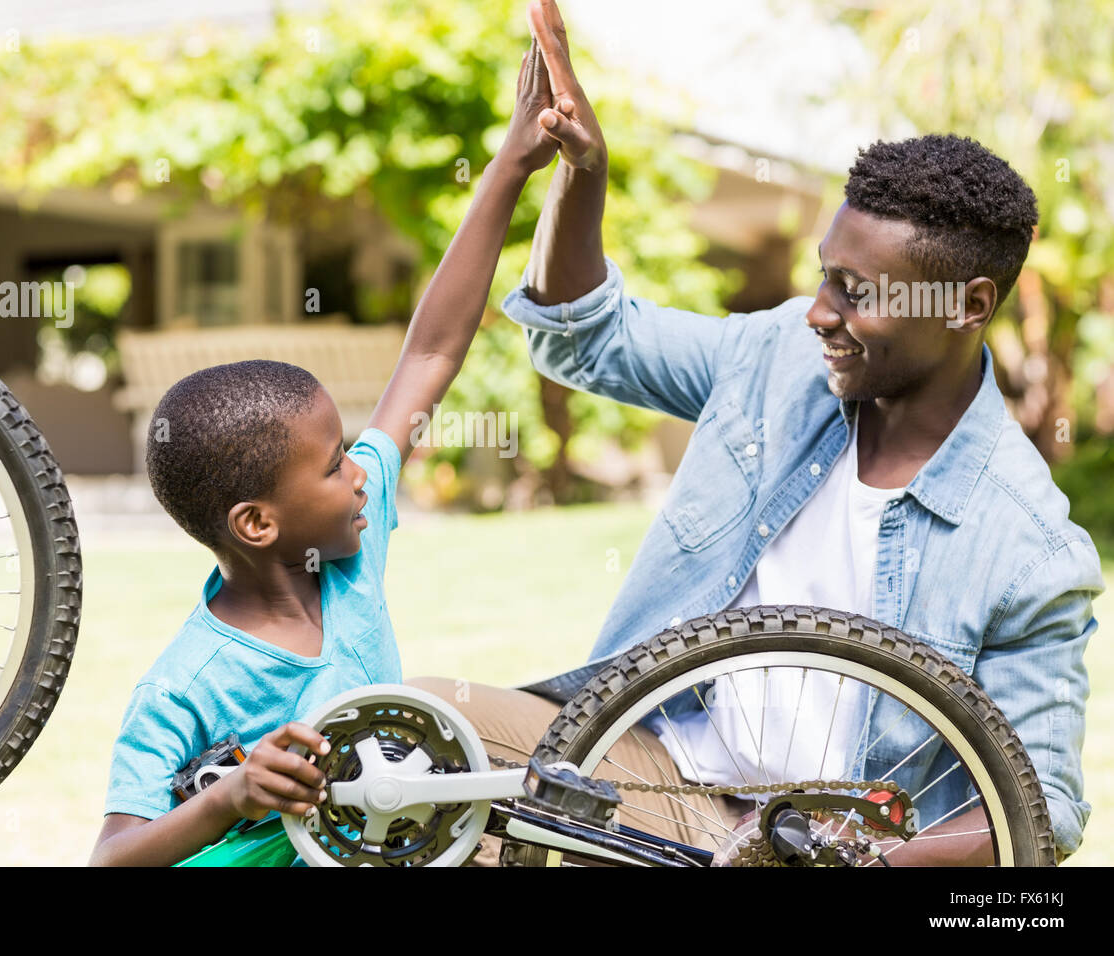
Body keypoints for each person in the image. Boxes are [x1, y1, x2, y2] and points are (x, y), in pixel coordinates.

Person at [415, 0, 1104, 866]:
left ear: (967, 306)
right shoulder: (778, 357)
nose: (819, 313)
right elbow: (586, 336)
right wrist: (583, 177)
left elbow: (1040, 809)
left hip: (823, 846)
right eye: (825, 278)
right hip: (650, 765)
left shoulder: (1030, 550)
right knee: (414, 750)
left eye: (858, 292)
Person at [88, 35, 570, 867]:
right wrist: (233, 794)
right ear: (257, 522)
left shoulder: (347, 551)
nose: (362, 476)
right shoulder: (186, 684)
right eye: (333, 465)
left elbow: (428, 356)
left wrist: (511, 169)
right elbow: (112, 858)